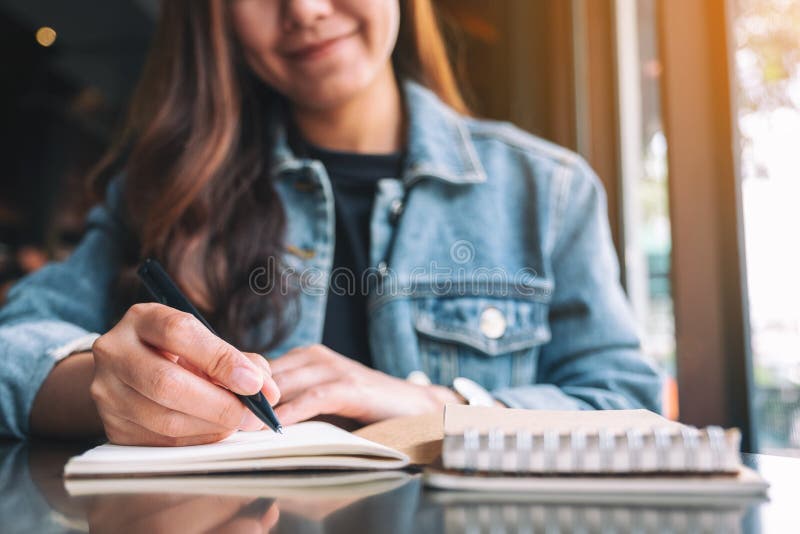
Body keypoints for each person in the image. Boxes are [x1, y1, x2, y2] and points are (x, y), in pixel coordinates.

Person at [0, 0, 661, 445]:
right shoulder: (163, 187)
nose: (306, 11)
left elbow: (633, 414)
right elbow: (15, 345)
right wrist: (99, 387)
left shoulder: (546, 190)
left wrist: (441, 412)